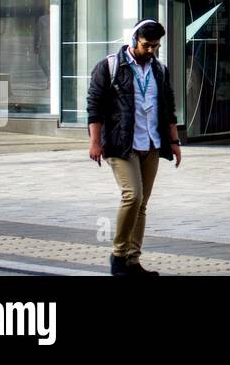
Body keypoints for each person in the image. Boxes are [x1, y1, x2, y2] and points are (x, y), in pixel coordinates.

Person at [87, 19, 182, 276]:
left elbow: (168, 107)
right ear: (133, 41)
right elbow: (94, 106)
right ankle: (118, 255)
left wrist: (174, 142)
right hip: (120, 143)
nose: (150, 50)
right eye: (146, 45)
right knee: (133, 196)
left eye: (155, 46)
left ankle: (132, 259)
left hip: (151, 142)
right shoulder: (109, 66)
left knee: (142, 205)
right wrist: (95, 141)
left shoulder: (159, 70)